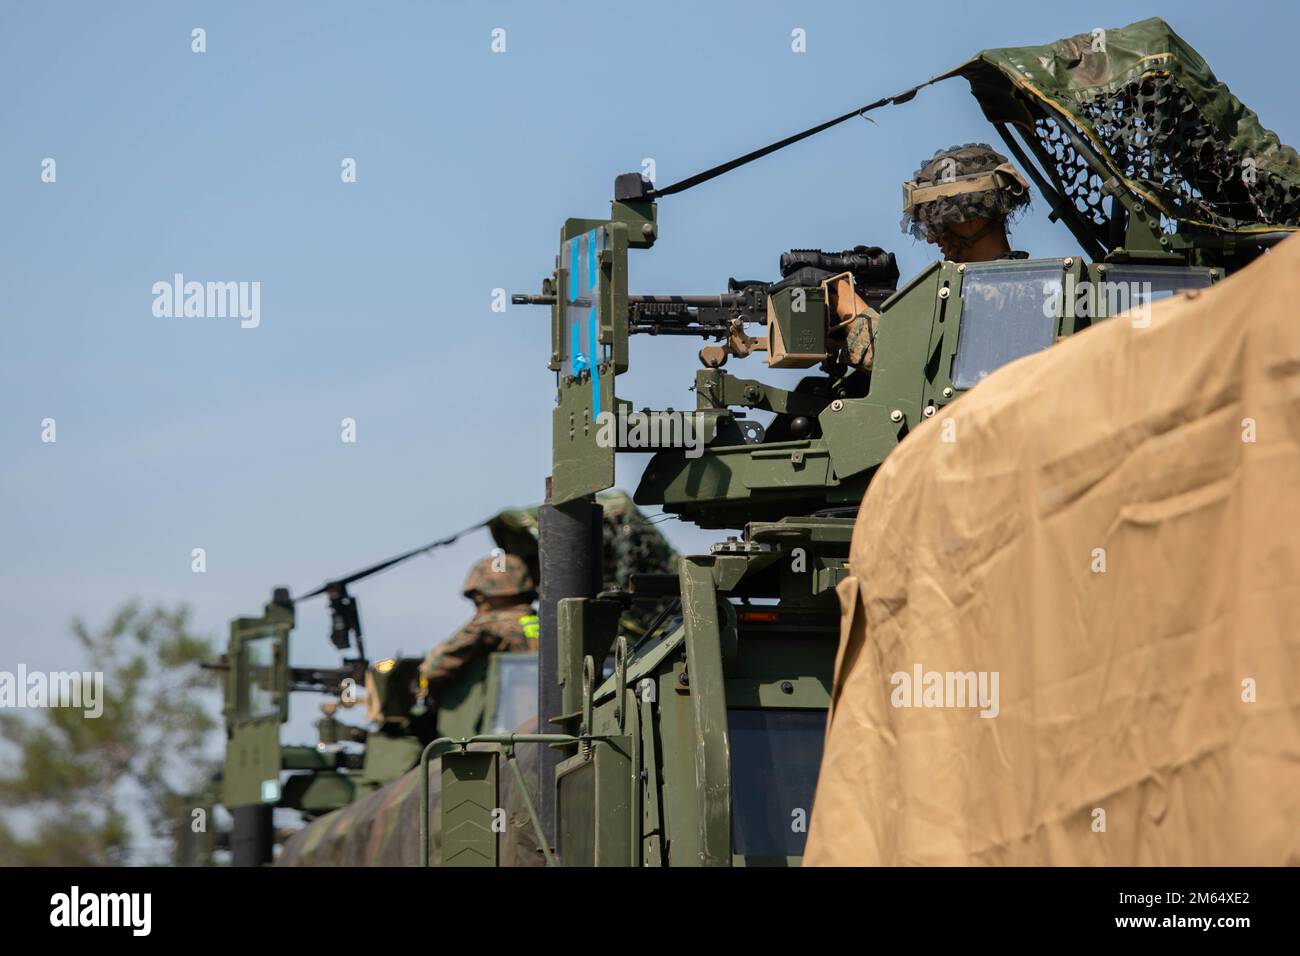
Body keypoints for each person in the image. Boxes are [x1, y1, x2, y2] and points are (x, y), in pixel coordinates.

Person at [835, 143, 1031, 368]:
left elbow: (908, 371)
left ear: (972, 218)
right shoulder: (973, 288)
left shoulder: (1008, 290)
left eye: (940, 222)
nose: (931, 238)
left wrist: (850, 309)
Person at [417, 553, 539, 724]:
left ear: (482, 595)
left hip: (504, 727)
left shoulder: (489, 626)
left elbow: (432, 668)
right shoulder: (546, 623)